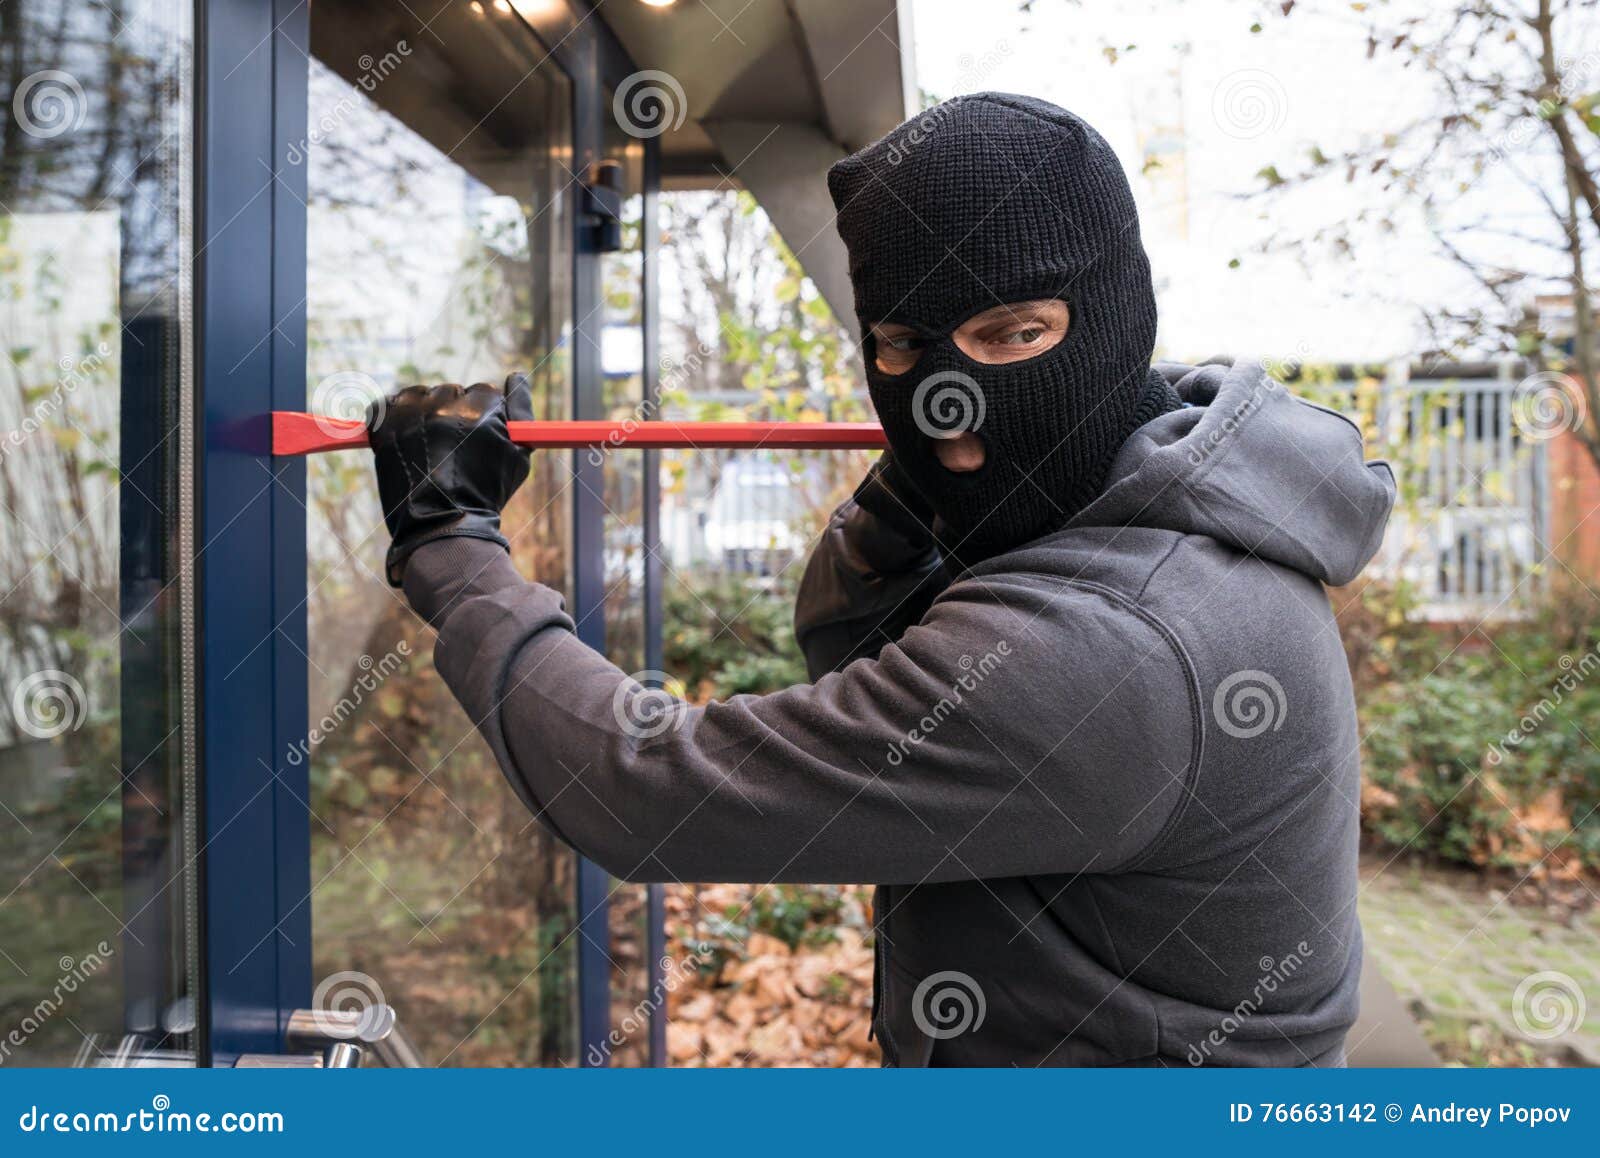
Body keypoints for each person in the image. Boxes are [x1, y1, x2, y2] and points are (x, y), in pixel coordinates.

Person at [365, 93, 1395, 1067]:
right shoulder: (1170, 504)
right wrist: (918, 494)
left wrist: (450, 545)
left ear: (1117, 321)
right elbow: (857, 655)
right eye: (902, 347)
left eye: (1014, 333)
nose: (953, 415)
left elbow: (646, 792)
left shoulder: (1108, 644)